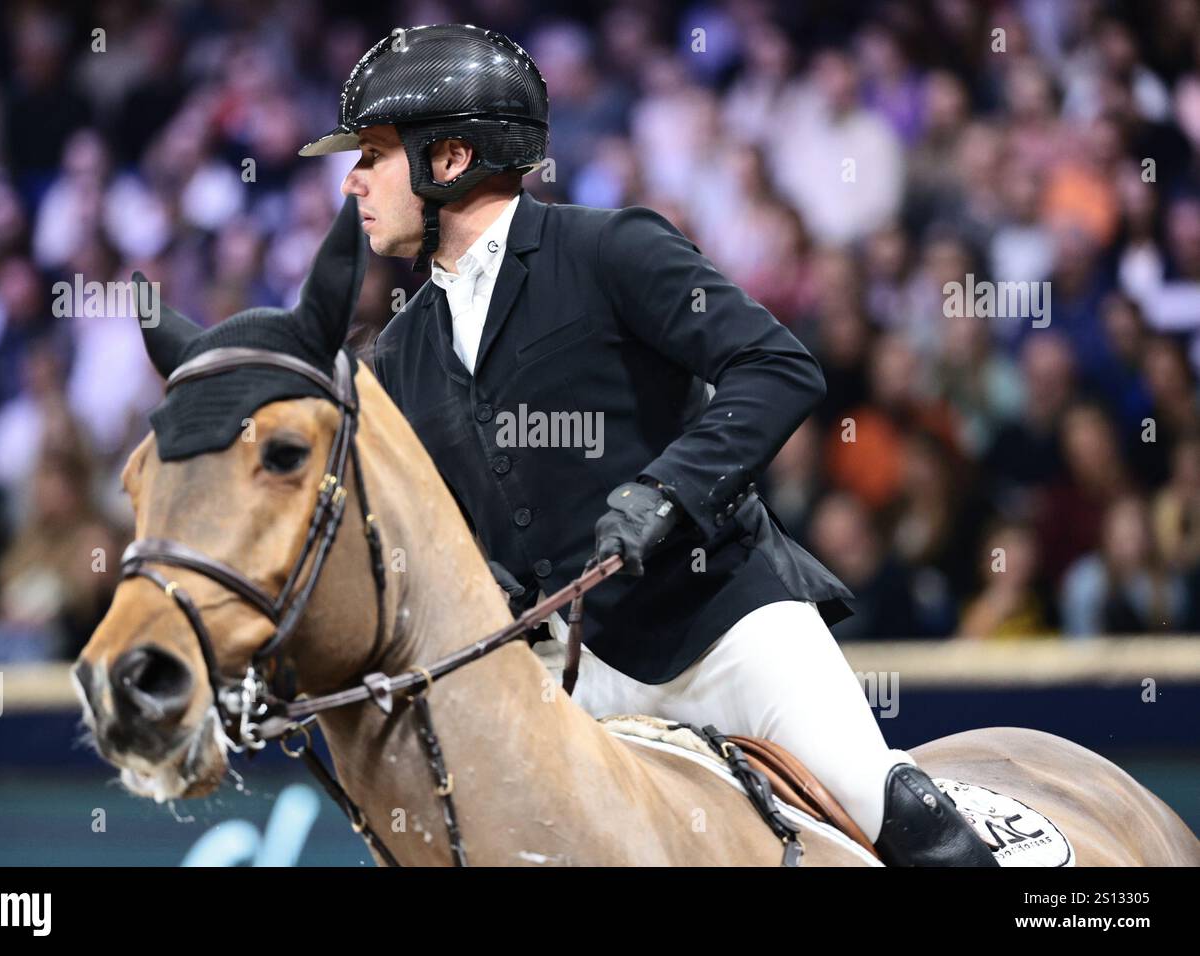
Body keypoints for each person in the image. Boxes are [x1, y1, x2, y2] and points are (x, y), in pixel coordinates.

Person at [303, 24, 996, 866]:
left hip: (721, 633)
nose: (352, 181)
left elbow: (775, 366)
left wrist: (667, 491)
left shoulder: (609, 249)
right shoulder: (402, 353)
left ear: (448, 159)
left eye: (371, 154)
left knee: (894, 813)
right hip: (566, 678)